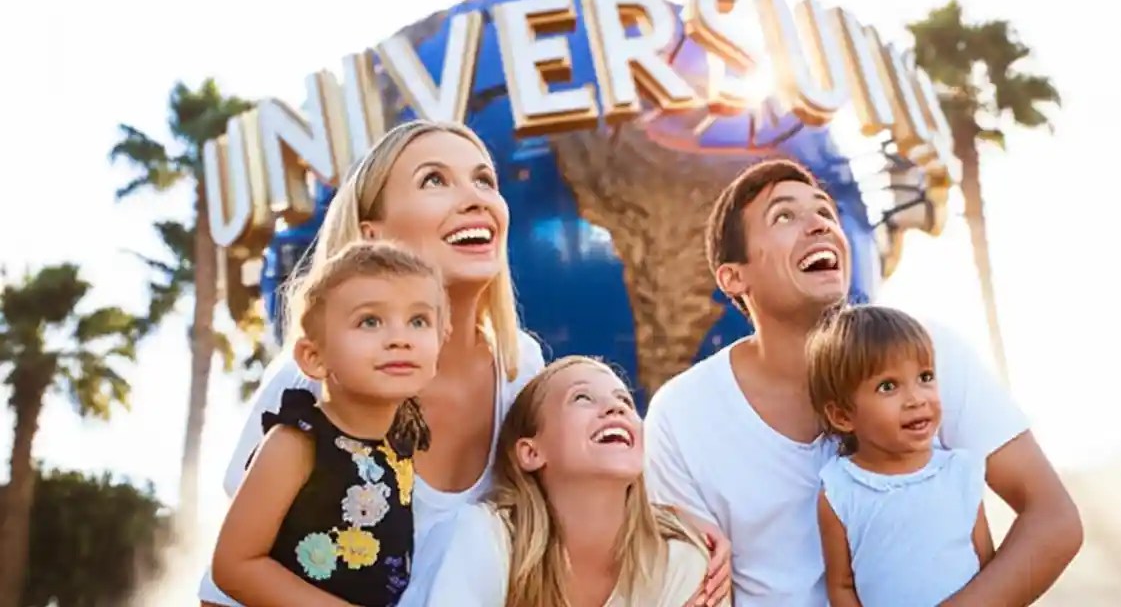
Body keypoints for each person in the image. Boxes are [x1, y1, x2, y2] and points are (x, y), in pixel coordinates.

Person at [199, 119, 729, 606]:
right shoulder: (318, 379)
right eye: (435, 180)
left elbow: (561, 509)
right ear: (372, 236)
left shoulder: (521, 367)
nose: (475, 199)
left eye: (484, 181)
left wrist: (667, 521)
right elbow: (224, 586)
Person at [645, 158, 1082, 606]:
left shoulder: (926, 354)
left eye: (825, 212)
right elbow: (690, 589)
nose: (819, 225)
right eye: (784, 216)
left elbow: (1053, 519)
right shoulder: (681, 415)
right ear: (734, 277)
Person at [212, 242, 444, 607]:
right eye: (370, 321)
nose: (400, 338)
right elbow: (233, 565)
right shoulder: (297, 443)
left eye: (418, 321)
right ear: (314, 357)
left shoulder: (401, 444)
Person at [427, 356, 729, 607]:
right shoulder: (487, 537)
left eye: (625, 399)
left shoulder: (681, 559)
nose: (616, 408)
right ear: (531, 452)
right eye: (582, 398)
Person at [807, 303, 994, 607]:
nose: (916, 399)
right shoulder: (840, 492)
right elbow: (841, 585)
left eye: (925, 377)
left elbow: (989, 569)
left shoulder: (961, 473)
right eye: (888, 386)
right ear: (842, 416)